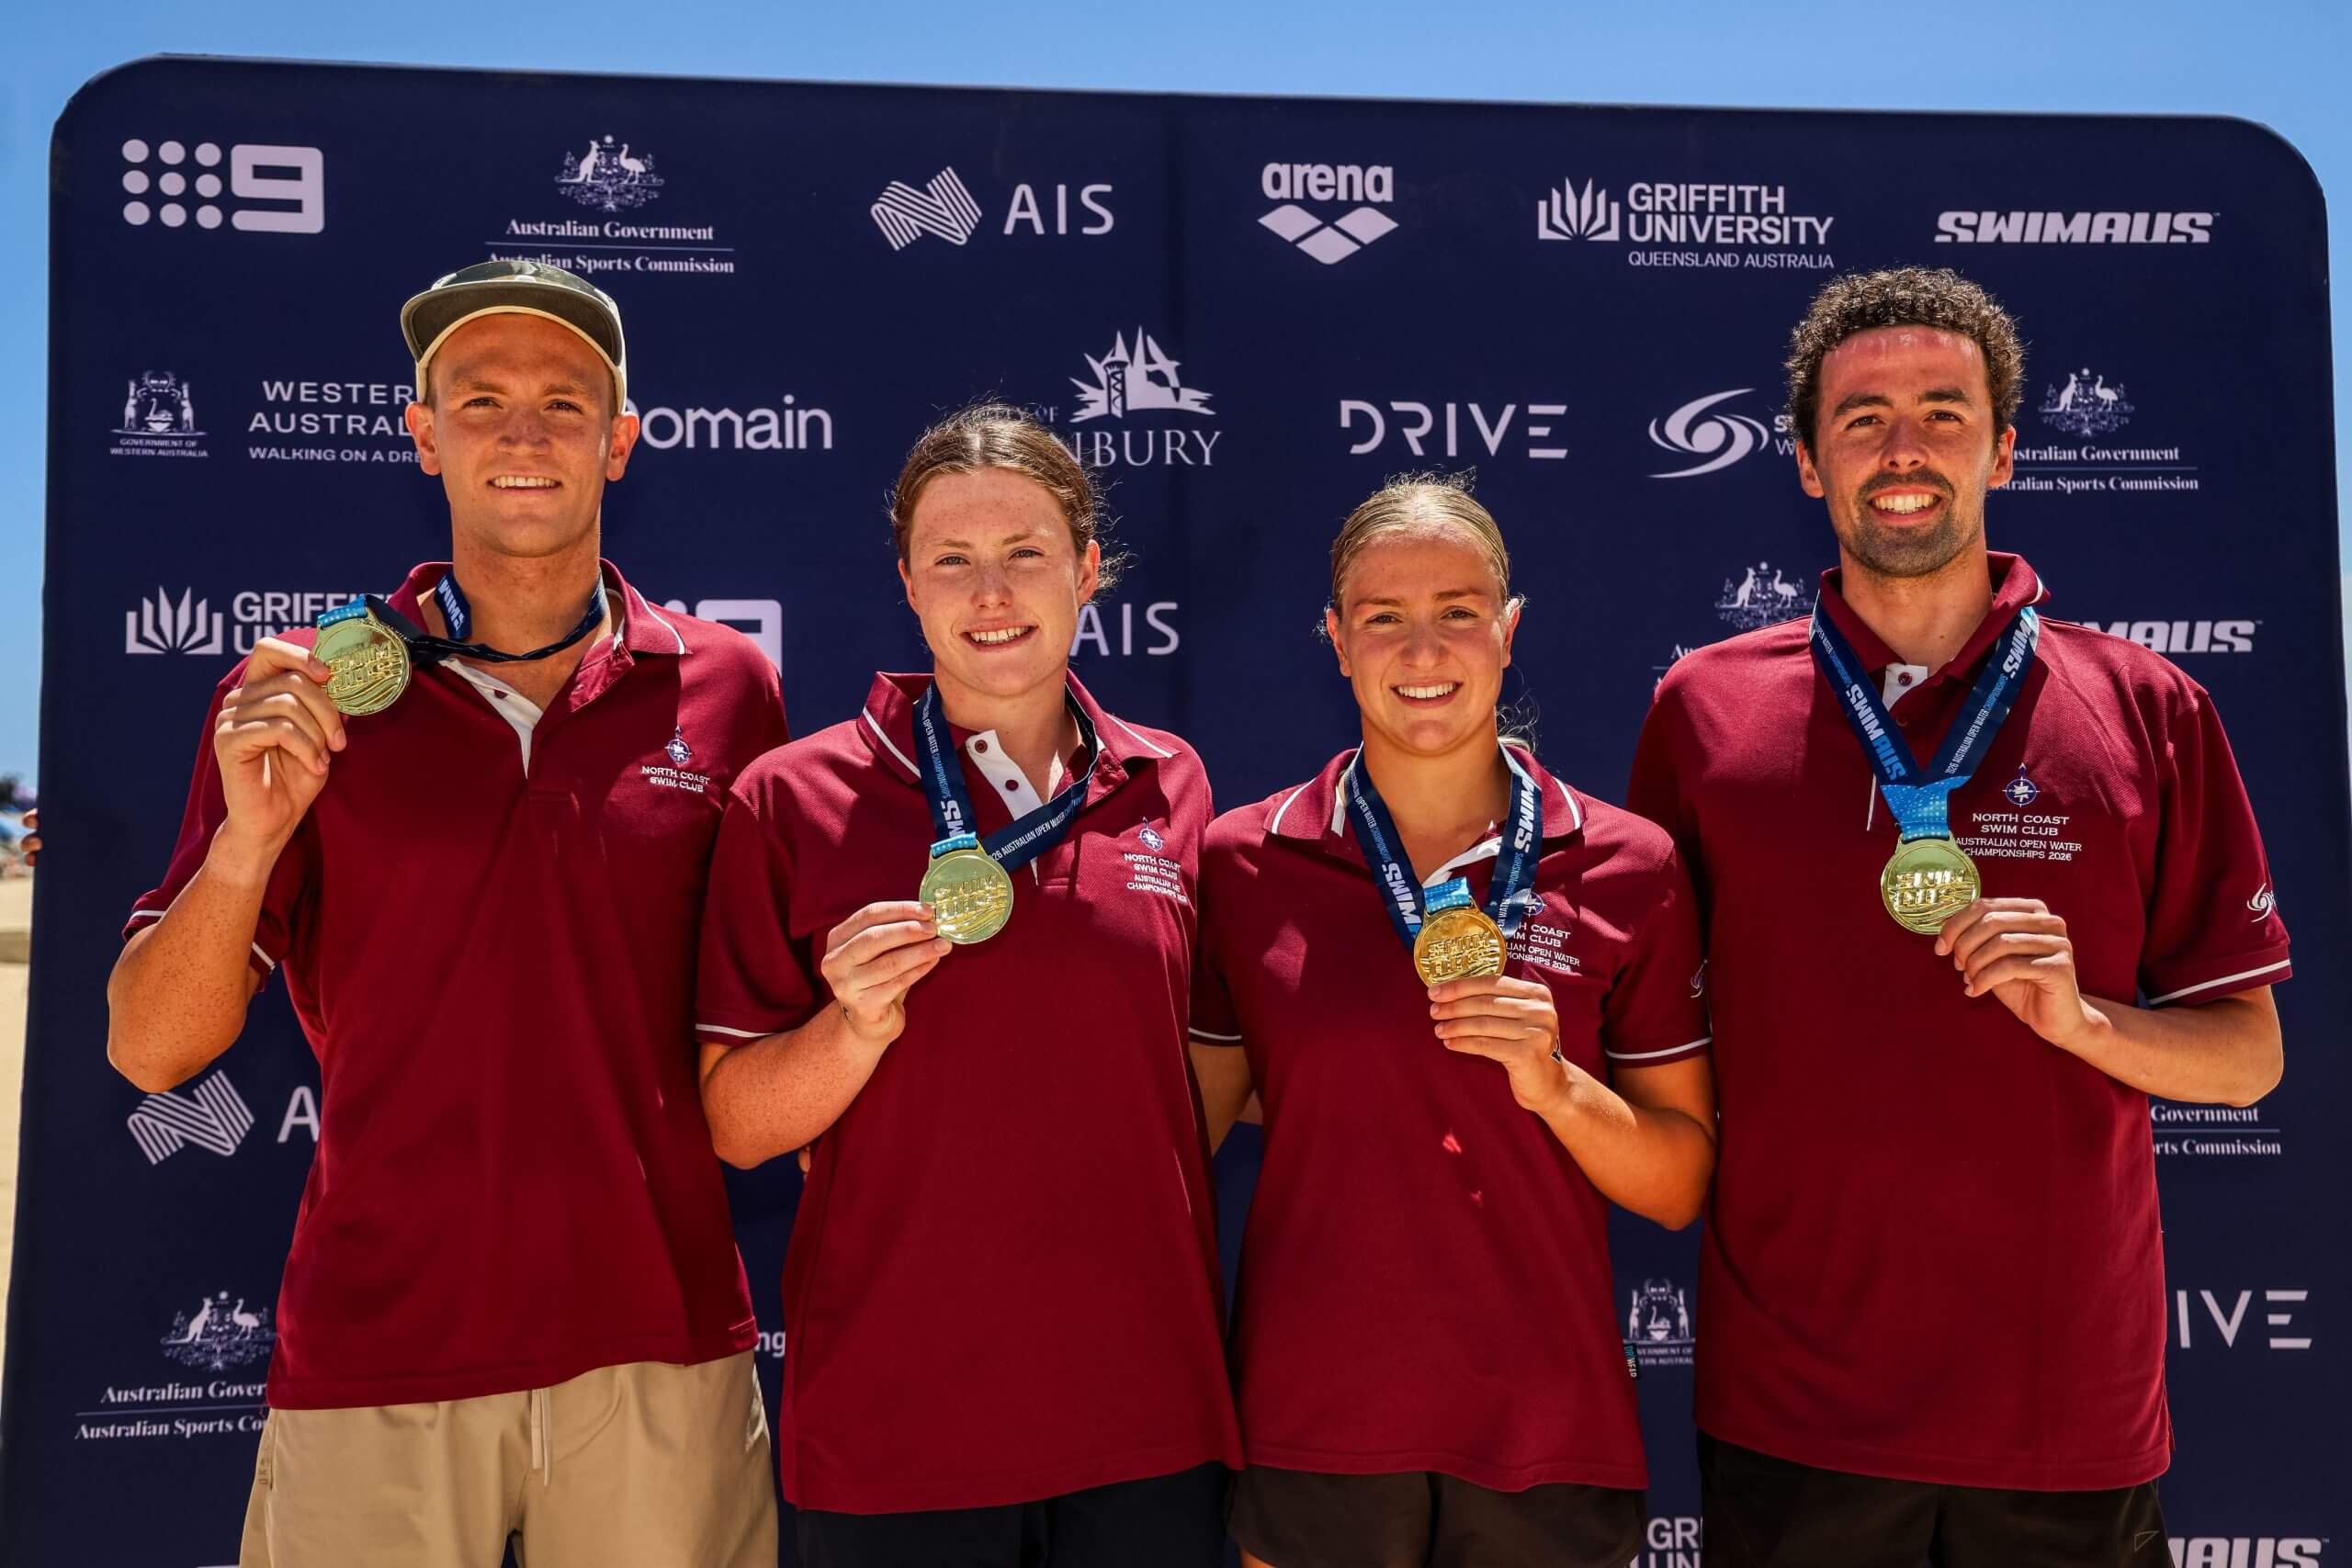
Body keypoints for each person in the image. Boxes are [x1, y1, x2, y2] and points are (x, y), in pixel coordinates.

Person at [106, 260, 783, 1567]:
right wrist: (247, 846)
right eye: (480, 400)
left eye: (563, 402)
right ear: (422, 436)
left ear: (620, 440)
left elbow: (759, 1028)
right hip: (378, 1347)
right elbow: (151, 1047)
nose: (522, 432)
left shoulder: (733, 685)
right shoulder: (304, 689)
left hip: (663, 1343)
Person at [1628, 266, 2289, 1568]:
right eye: (1863, 416)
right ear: (1810, 462)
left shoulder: (2148, 704)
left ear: (2004, 445)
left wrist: (2087, 1017)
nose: (1904, 446)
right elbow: (1656, 1042)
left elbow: (2250, 1055)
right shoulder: (1702, 709)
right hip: (1795, 1405)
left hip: (2067, 1407)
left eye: (1943, 408)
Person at [694, 403, 1241, 1566]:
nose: (990, 593)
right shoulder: (793, 798)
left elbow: (1209, 1082)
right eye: (952, 560)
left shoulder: (1171, 784)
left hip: (1146, 1418)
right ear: (907, 583)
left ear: (1087, 571)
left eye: (1024, 555)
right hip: (899, 1430)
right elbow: (737, 1129)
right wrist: (851, 1030)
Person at [1189, 475, 1718, 1568]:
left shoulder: (1631, 864)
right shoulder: (1244, 861)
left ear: (1508, 631)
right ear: (1335, 640)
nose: (1422, 651)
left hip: (1548, 1425)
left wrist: (1557, 1084)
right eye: (1383, 619)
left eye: (1458, 613)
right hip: (1314, 1422)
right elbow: (1173, 1138)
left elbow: (1677, 1187)